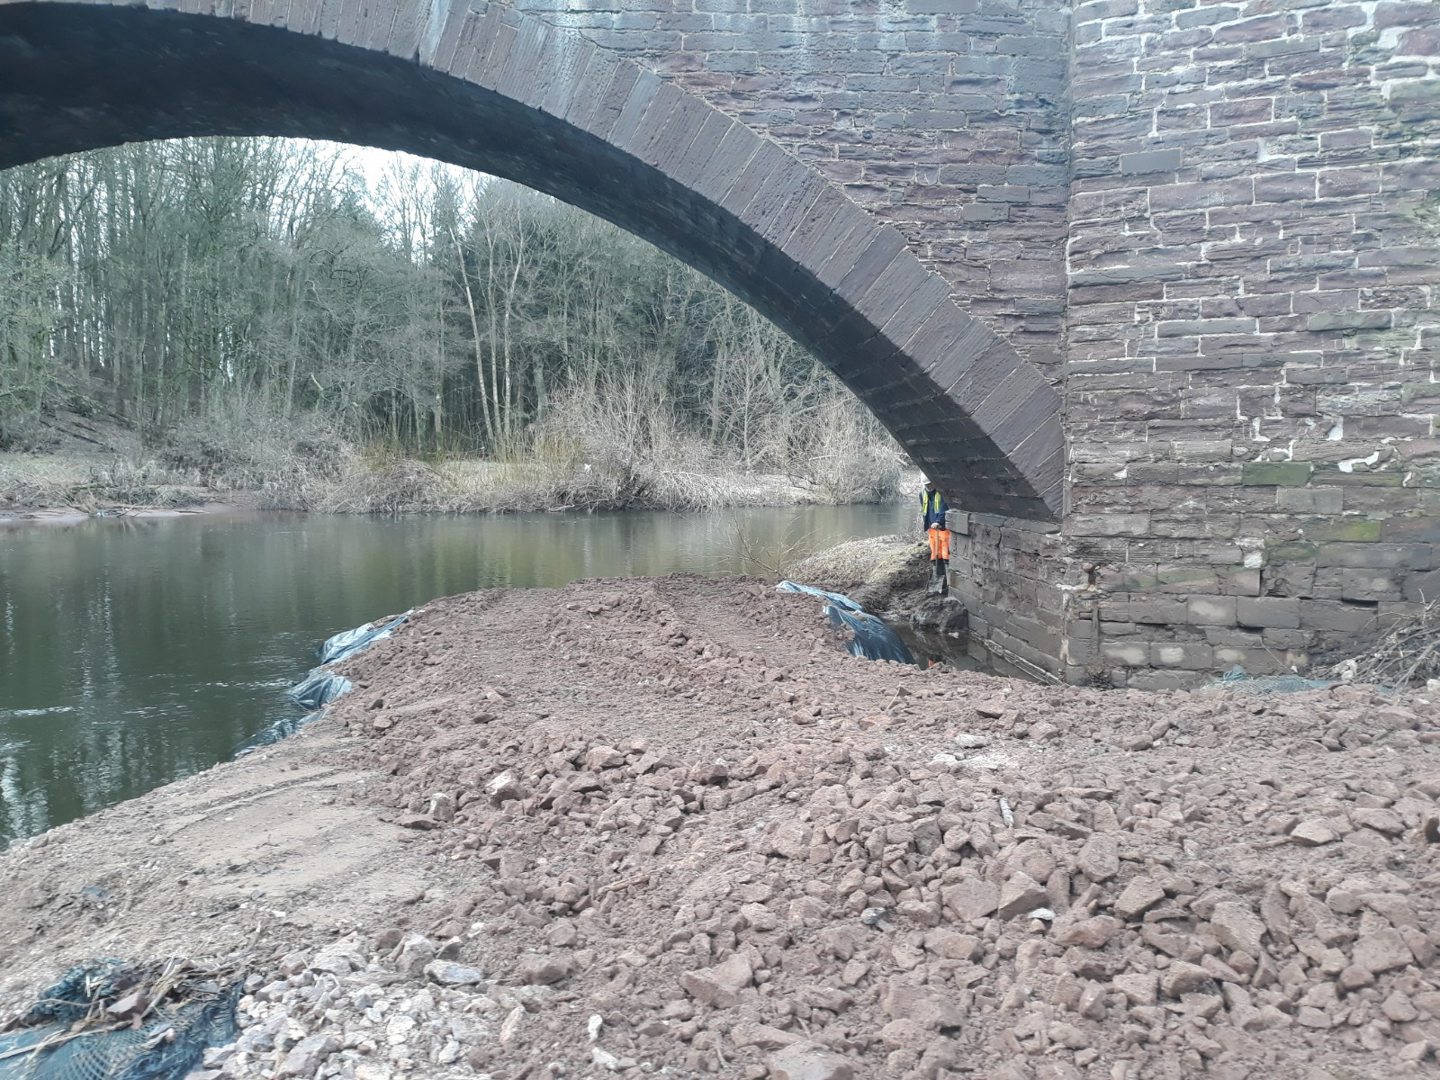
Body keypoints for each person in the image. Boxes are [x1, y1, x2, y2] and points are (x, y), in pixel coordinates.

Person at [921, 479, 949, 595]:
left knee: (945, 553)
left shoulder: (942, 493)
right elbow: (924, 509)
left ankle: (948, 582)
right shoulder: (922, 493)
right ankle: (937, 577)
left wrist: (939, 521)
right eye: (926, 485)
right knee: (935, 554)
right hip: (932, 529)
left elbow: (944, 508)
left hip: (942, 528)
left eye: (930, 484)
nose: (928, 486)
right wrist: (927, 524)